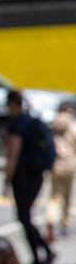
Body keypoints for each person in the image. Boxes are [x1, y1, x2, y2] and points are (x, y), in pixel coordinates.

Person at [5, 89, 54, 264]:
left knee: (23, 216)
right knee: (25, 216)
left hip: (23, 177)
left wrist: (7, 179)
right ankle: (43, 252)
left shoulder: (17, 125)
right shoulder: (30, 121)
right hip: (36, 175)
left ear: (12, 104)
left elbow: (13, 154)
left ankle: (39, 255)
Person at [46, 100, 76, 244]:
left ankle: (50, 219)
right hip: (69, 164)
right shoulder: (73, 126)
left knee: (54, 196)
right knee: (67, 196)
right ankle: (65, 223)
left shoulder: (52, 125)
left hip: (55, 164)